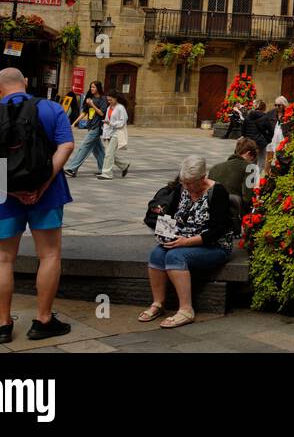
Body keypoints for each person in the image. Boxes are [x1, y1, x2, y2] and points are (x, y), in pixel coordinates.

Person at [0, 67, 75, 344]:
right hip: (48, 193)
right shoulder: (52, 109)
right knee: (49, 255)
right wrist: (42, 183)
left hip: (4, 195)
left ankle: (3, 325)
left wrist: (6, 188)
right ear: (25, 82)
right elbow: (67, 146)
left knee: (3, 259)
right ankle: (43, 320)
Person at [140, 155, 234, 330]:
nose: (187, 187)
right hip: (182, 239)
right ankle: (158, 303)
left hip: (213, 245)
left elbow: (217, 231)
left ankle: (186, 309)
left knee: (175, 257)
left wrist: (186, 242)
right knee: (157, 253)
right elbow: (169, 215)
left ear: (202, 177)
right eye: (184, 182)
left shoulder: (218, 192)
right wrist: (164, 235)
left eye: (191, 183)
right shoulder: (181, 189)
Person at [64, 81, 107, 177]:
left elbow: (101, 114)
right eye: (91, 87)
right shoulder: (89, 98)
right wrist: (75, 122)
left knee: (84, 147)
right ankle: (107, 168)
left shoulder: (103, 99)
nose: (92, 89)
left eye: (94, 87)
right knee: (99, 150)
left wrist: (92, 105)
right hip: (90, 126)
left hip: (97, 127)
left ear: (98, 88)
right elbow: (84, 113)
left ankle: (72, 169)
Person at [208, 137, 258, 202]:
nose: (251, 162)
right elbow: (247, 197)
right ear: (248, 153)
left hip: (211, 207)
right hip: (233, 209)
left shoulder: (215, 168)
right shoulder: (250, 169)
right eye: (252, 159)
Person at [98, 91, 130, 179]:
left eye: (111, 100)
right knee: (109, 153)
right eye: (108, 100)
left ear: (116, 99)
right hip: (109, 133)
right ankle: (124, 165)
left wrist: (111, 123)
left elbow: (122, 122)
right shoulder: (109, 108)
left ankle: (107, 173)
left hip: (117, 133)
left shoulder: (120, 108)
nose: (109, 102)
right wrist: (105, 134)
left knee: (108, 154)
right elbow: (106, 120)